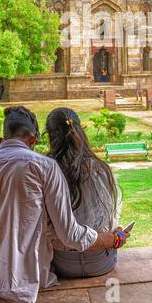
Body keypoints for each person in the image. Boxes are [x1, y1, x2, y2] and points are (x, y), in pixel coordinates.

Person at [0, 105, 127, 303]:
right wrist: (110, 239)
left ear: (1, 140)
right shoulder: (45, 167)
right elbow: (69, 235)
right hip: (24, 280)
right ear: (33, 140)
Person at [45, 107, 124, 279]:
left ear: (50, 136)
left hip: (61, 263)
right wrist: (115, 234)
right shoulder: (101, 169)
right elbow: (111, 213)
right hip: (101, 262)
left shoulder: (45, 171)